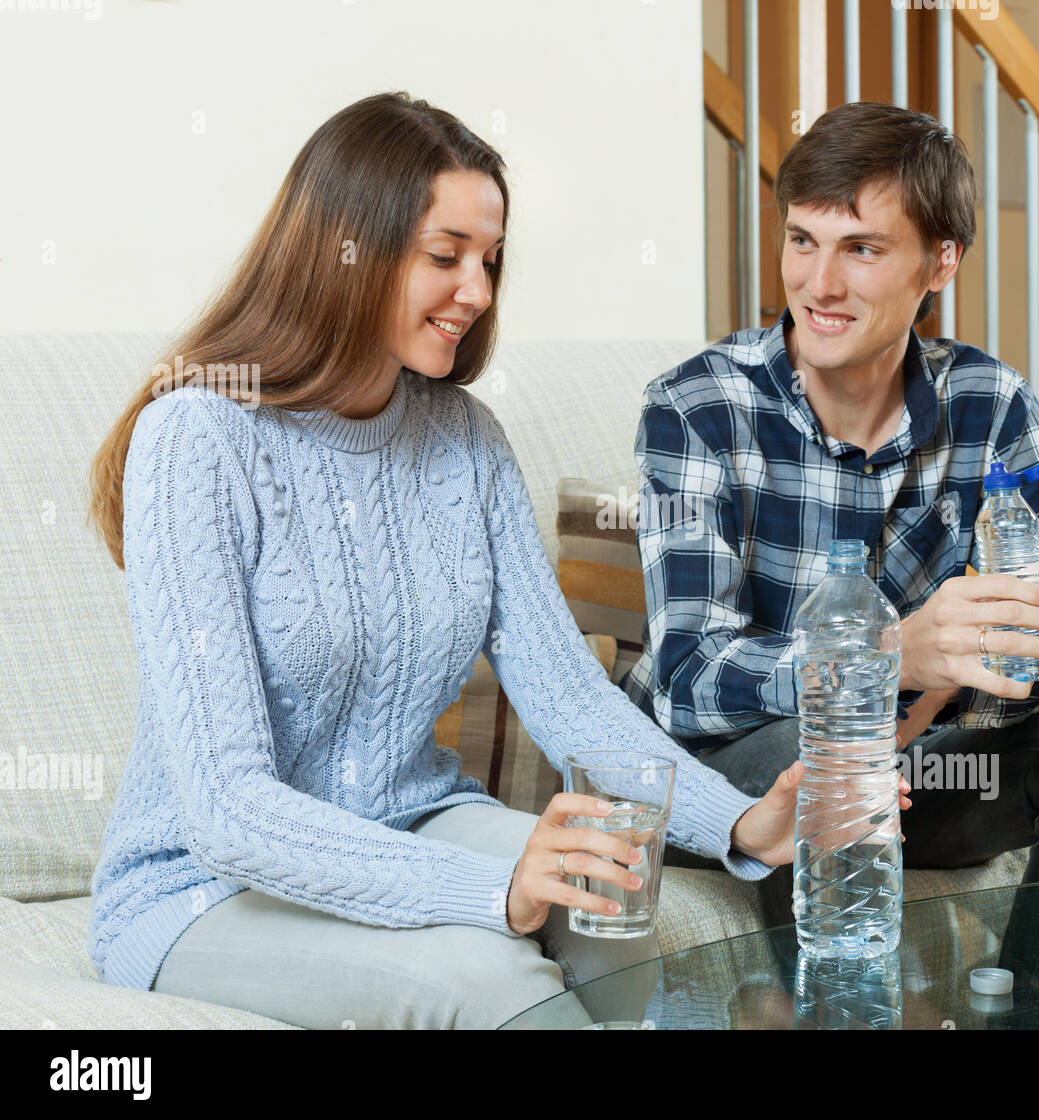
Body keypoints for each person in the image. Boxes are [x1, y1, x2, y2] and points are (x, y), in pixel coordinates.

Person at [84, 92, 819, 1031]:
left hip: (412, 814)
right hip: (203, 884)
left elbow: (567, 691)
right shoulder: (198, 439)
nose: (476, 291)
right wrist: (493, 892)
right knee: (492, 982)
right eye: (445, 256)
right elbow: (227, 808)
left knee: (608, 900)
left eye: (490, 260)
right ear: (345, 249)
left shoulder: (465, 440)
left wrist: (741, 824)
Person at [621, 102, 1039, 1019]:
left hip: (925, 771)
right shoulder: (695, 408)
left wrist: (958, 675)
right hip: (751, 779)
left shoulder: (990, 404)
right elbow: (686, 679)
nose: (819, 283)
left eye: (863, 249)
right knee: (820, 754)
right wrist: (891, 655)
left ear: (941, 262)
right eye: (802, 240)